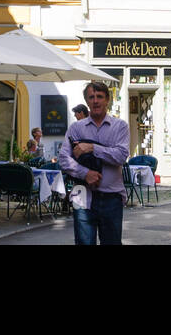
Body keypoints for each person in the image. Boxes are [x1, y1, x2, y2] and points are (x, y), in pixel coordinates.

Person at [59, 81, 130, 245]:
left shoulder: (120, 127)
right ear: (87, 101)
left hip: (112, 197)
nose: (95, 101)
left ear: (107, 100)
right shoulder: (76, 128)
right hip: (81, 195)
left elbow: (121, 156)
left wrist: (91, 148)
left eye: (100, 97)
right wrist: (85, 173)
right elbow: (64, 159)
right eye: (91, 97)